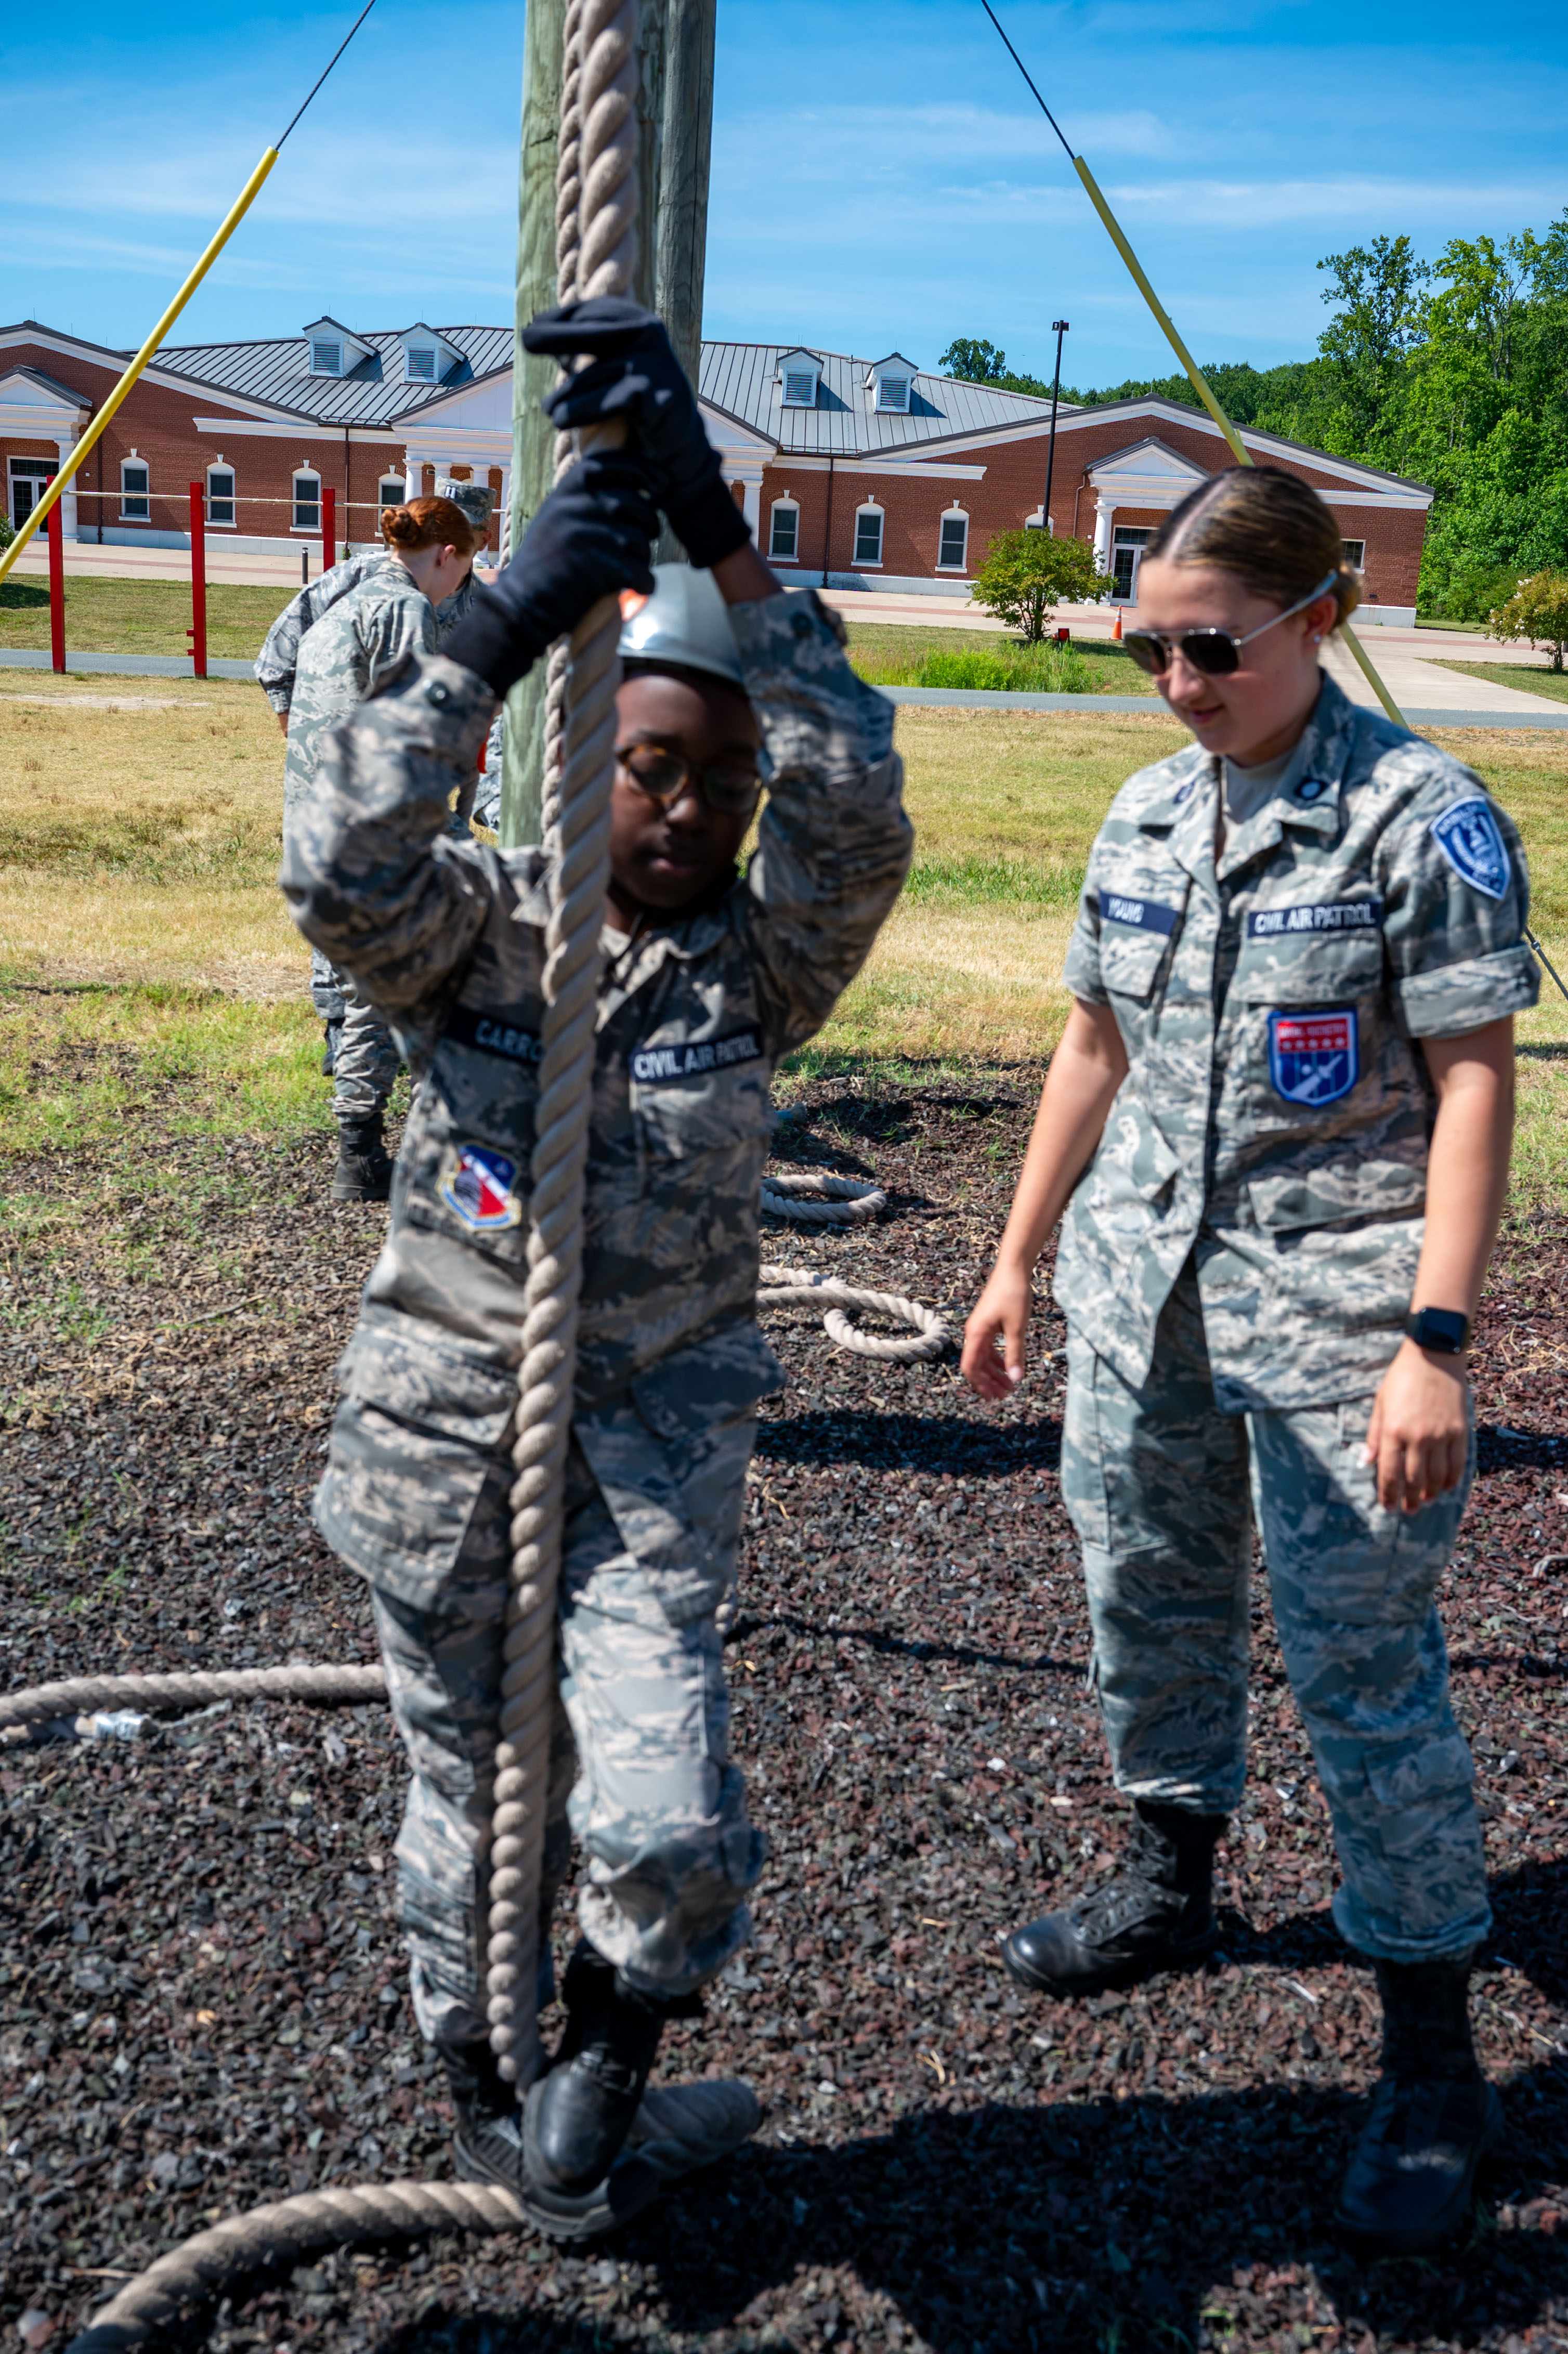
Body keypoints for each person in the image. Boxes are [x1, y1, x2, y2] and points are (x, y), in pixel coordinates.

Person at [280, 298, 913, 2236]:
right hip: (447, 1433)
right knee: (472, 1801)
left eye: (715, 775)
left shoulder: (758, 966)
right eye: (648, 763)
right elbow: (338, 864)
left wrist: (726, 538)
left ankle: (613, 2023)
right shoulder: (483, 935)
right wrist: (494, 623)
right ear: (589, 760)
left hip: (643, 1453)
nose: (688, 802)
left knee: (663, 1814)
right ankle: (474, 2070)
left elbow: (858, 805)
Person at [961, 465, 1535, 2258]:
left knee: (1362, 1672)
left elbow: (1472, 1080)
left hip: (1336, 1321)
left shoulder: (1416, 819)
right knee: (1145, 1597)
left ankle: (1430, 2052)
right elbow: (1085, 1045)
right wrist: (1011, 1250)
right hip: (1142, 1298)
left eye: (1207, 645)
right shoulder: (1143, 809)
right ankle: (1170, 1873)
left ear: (1319, 617)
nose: (1175, 682)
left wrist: (1434, 1337)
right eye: (1147, 646)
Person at [257, 480, 496, 1077]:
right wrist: (301, 722)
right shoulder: (381, 590)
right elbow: (284, 651)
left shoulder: (474, 608)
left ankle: (375, 1048)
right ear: (446, 546)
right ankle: (356, 1044)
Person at [284, 493, 484, 1201]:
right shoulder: (406, 611)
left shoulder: (340, 606)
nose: (464, 584)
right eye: (466, 569)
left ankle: (363, 1156)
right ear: (448, 555)